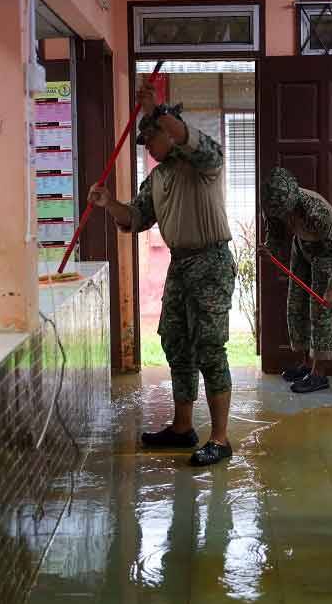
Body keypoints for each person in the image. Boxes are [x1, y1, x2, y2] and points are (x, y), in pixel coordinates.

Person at [88, 81, 235, 467]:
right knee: (176, 342)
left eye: (152, 137)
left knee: (210, 347)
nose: (147, 146)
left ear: (169, 133)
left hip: (211, 261)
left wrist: (158, 112)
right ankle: (182, 427)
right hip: (181, 264)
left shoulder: (202, 162)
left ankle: (220, 439)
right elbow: (135, 219)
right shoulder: (157, 178)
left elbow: (196, 143)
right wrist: (109, 204)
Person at [261, 167, 332, 393]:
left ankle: (319, 374)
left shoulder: (317, 212)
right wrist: (269, 249)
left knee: (320, 311)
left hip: (326, 251)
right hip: (301, 245)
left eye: (283, 209)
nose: (279, 214)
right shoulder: (272, 204)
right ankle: (305, 364)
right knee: (295, 304)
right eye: (276, 210)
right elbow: (275, 234)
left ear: (293, 199)